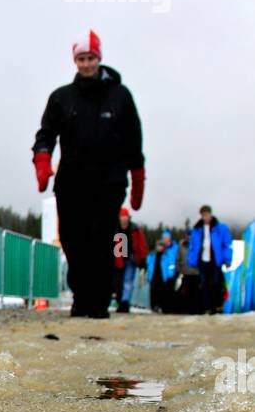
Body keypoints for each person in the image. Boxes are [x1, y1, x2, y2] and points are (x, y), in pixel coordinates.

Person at [32, 30, 145, 319]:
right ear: (75, 61)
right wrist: (42, 159)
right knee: (72, 238)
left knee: (101, 238)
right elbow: (46, 133)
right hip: (71, 180)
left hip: (109, 180)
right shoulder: (61, 97)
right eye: (81, 58)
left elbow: (134, 137)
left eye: (91, 58)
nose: (86, 64)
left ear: (99, 58)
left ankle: (97, 301)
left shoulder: (120, 96)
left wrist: (138, 174)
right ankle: (81, 295)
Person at [187, 205, 233, 315]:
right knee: (204, 284)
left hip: (215, 261)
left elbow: (227, 244)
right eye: (203, 215)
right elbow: (192, 246)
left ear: (210, 214)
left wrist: (227, 259)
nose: (205, 217)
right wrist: (192, 260)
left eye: (207, 214)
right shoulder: (197, 229)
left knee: (216, 283)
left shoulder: (220, 228)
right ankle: (206, 307)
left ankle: (216, 306)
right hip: (202, 261)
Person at [112, 206, 147, 313]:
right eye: (122, 216)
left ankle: (125, 301)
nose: (124, 218)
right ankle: (121, 300)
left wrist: (142, 259)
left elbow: (141, 245)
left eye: (125, 216)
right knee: (118, 282)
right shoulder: (115, 229)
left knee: (128, 280)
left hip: (131, 259)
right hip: (118, 259)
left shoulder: (135, 229)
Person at [148, 230, 179, 313]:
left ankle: (167, 307)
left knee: (168, 291)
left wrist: (171, 273)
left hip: (168, 273)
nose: (165, 240)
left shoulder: (174, 248)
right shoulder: (153, 255)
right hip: (156, 275)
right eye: (163, 238)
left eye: (166, 238)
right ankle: (155, 306)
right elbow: (149, 263)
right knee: (154, 291)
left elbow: (172, 262)